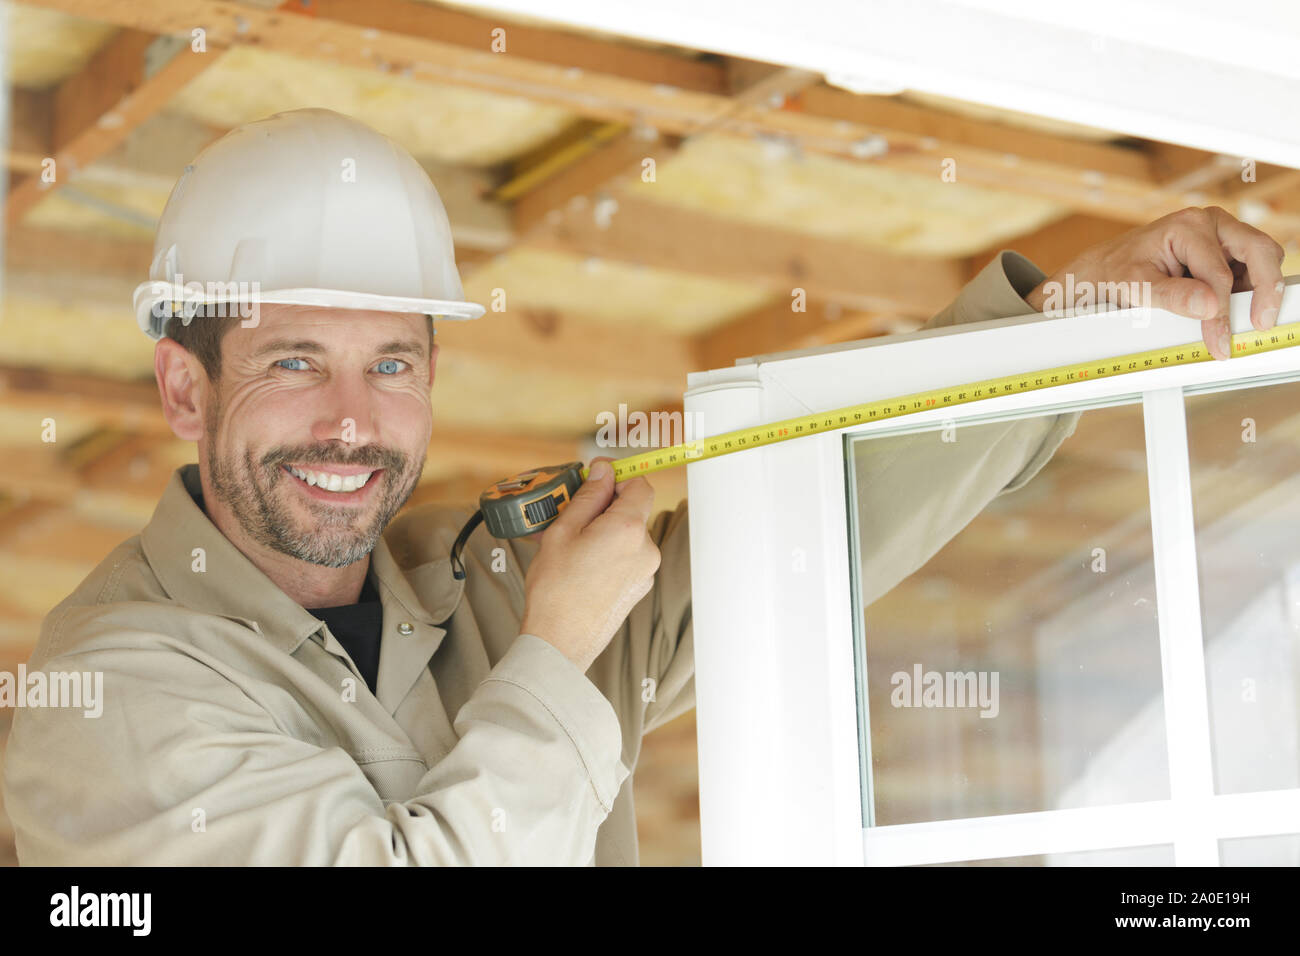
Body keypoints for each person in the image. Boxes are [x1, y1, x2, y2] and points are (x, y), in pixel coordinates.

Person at [2, 109, 1286, 865]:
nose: (353, 419)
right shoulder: (111, 697)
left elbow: (833, 512)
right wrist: (560, 648)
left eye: (392, 360)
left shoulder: (486, 578)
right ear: (183, 388)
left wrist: (1063, 323)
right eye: (295, 361)